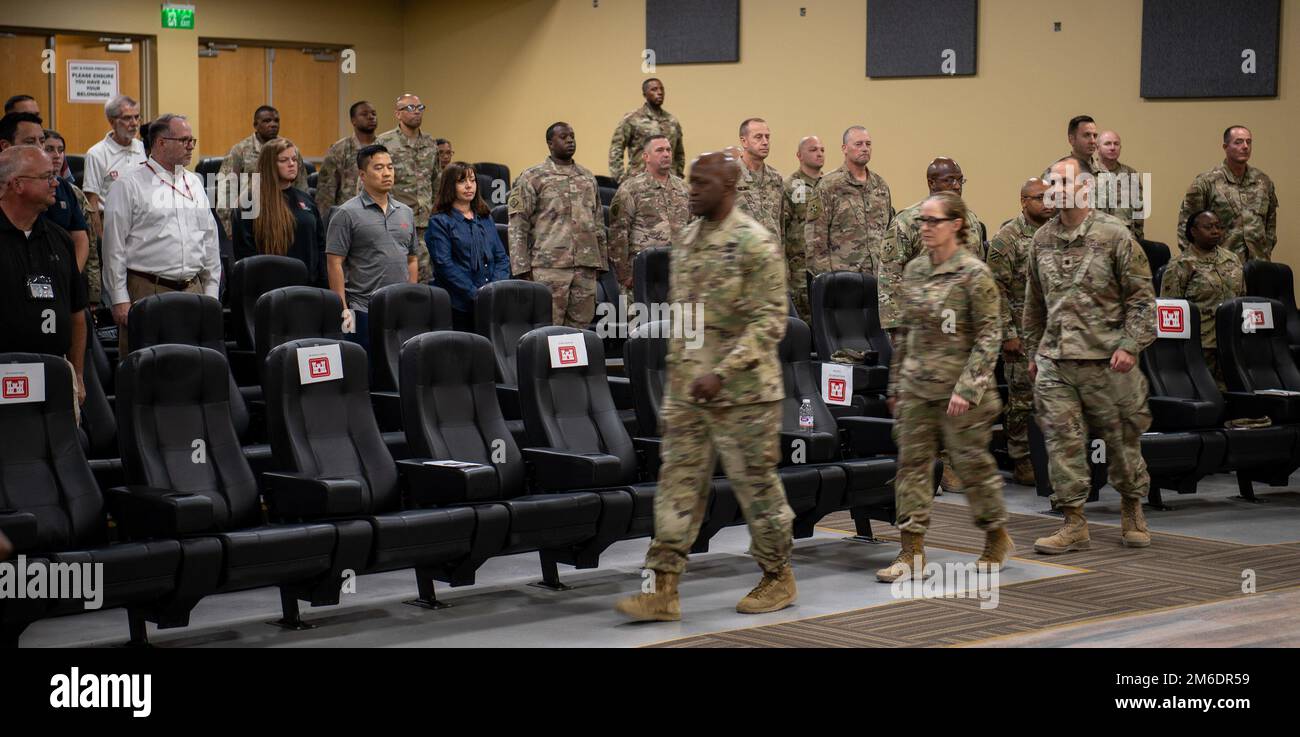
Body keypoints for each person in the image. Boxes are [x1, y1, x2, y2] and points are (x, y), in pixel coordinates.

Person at [614, 151, 796, 621]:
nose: (690, 190)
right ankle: (662, 589)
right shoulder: (688, 237)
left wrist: (724, 371)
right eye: (690, 181)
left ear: (729, 187)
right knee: (677, 487)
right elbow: (685, 320)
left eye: (701, 183)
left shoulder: (755, 243)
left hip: (746, 394)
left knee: (756, 487)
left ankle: (778, 575)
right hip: (691, 393)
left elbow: (770, 322)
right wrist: (679, 380)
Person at [876, 192, 1010, 582]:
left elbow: (990, 334)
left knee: (972, 469)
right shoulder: (916, 270)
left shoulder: (974, 273)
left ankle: (995, 536)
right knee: (911, 469)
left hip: (962, 395)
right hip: (918, 388)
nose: (925, 228)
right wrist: (895, 385)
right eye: (922, 221)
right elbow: (907, 332)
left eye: (934, 221)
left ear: (955, 224)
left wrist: (968, 387)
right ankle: (911, 552)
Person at [1024, 157, 1155, 554]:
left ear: (1084, 188)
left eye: (1061, 181)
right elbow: (1033, 305)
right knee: (1062, 444)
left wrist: (1130, 345)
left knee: (1122, 442)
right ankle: (1073, 522)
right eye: (1050, 182)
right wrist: (1034, 352)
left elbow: (1143, 300)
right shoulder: (1041, 240)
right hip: (1056, 361)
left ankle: (1132, 509)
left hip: (1107, 361)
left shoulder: (1115, 235)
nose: (1053, 188)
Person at [102, 114, 221, 358]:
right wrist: (119, 298)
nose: (190, 147)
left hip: (192, 289)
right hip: (147, 289)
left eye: (192, 141)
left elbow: (209, 240)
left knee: (192, 366)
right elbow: (113, 246)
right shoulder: (129, 183)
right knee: (147, 369)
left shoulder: (195, 182)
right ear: (161, 143)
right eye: (184, 140)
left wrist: (211, 292)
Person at [0, 146, 88, 405]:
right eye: (47, 177)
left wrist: (78, 374)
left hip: (56, 372)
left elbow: (76, 314)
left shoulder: (59, 238)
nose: (55, 183)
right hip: (5, 374)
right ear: (17, 184)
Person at [985, 178, 1056, 486]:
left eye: (1050, 197)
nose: (1048, 203)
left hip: (1053, 331)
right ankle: (1021, 457)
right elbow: (994, 290)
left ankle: (1051, 454)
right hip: (1021, 333)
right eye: (1040, 198)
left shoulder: (1057, 234)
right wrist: (1007, 333)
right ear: (1024, 202)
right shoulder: (1007, 239)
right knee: (1022, 399)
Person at [507, 122, 607, 328]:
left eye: (572, 136)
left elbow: (598, 223)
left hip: (585, 267)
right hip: (548, 267)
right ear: (550, 143)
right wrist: (521, 268)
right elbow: (518, 225)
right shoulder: (532, 177)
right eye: (564, 137)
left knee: (579, 333)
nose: (570, 140)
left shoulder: (587, 177)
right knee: (548, 330)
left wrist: (601, 263)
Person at [325, 144, 419, 352]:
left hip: (399, 308)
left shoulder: (406, 212)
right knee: (367, 373)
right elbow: (334, 263)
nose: (387, 173)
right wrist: (343, 311)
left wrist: (409, 297)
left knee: (399, 370)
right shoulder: (346, 213)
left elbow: (412, 258)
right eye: (378, 168)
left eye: (390, 167)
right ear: (362, 175)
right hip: (362, 309)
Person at [878, 157, 985, 334]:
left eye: (960, 180)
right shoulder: (908, 221)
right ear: (931, 183)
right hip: (922, 320)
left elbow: (978, 267)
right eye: (949, 180)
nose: (957, 186)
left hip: (962, 320)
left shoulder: (970, 221)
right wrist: (895, 327)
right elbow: (890, 276)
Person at [1160, 210, 1244, 390]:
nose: (1215, 231)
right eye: (1208, 227)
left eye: (1218, 227)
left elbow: (1241, 299)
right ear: (1193, 231)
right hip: (1199, 346)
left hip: (1231, 342)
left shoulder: (1233, 260)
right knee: (1206, 395)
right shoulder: (1181, 265)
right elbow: (1170, 311)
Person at [427, 162, 509, 331]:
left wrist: (493, 290)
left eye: (472, 180)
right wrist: (476, 294)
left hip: (491, 302)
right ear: (450, 186)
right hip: (458, 305)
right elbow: (445, 265)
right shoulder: (440, 221)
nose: (469, 185)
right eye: (462, 181)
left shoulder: (486, 217)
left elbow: (501, 257)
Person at [1176, 125, 1277, 263]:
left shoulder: (1263, 182)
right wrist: (1197, 265)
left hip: (1259, 266)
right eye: (1238, 142)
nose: (1245, 146)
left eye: (1249, 141)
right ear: (1225, 147)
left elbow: (1270, 226)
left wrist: (1265, 252)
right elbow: (1186, 227)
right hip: (1218, 268)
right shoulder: (1206, 182)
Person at [235, 138, 326, 287]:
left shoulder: (307, 200)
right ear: (269, 165)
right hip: (268, 290)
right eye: (284, 160)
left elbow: (321, 247)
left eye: (294, 159)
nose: (292, 164)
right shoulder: (249, 202)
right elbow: (246, 256)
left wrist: (324, 287)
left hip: (308, 287)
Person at [804, 126, 892, 278]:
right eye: (858, 144)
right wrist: (826, 281)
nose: (865, 149)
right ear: (844, 148)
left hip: (876, 279)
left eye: (868, 144)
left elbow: (888, 233)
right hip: (842, 279)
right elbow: (815, 240)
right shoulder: (828, 186)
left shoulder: (880, 186)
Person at [607, 135, 689, 290]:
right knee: (643, 315)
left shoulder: (684, 189)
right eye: (659, 150)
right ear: (646, 157)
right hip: (642, 274)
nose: (666, 154)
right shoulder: (630, 189)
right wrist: (624, 275)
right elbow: (618, 234)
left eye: (668, 150)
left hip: (678, 273)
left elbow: (693, 227)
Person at [216, 105, 308, 237]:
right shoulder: (239, 151)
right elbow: (226, 193)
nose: (273, 124)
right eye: (267, 121)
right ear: (255, 124)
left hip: (286, 220)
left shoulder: (290, 151)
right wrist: (234, 233)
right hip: (251, 219)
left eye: (276, 121)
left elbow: (301, 188)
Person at [376, 94, 438, 283]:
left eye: (420, 107)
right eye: (410, 108)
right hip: (395, 221)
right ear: (398, 114)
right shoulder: (384, 142)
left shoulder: (430, 142)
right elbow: (369, 183)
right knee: (397, 278)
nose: (416, 111)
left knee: (425, 279)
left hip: (425, 224)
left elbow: (436, 181)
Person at [44, 130, 100, 303]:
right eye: (49, 149)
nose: (57, 155)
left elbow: (89, 247)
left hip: (70, 275)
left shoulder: (73, 193)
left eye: (61, 150)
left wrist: (92, 295)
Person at [82, 95, 146, 235]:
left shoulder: (143, 149)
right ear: (112, 122)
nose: (134, 123)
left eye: (137, 117)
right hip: (112, 226)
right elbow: (91, 201)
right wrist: (100, 240)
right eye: (128, 118)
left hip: (142, 225)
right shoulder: (97, 153)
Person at [608, 78, 685, 183]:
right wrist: (620, 178)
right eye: (654, 89)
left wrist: (678, 176)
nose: (660, 92)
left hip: (668, 183)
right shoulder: (632, 119)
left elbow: (679, 153)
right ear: (645, 94)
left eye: (662, 89)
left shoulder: (672, 121)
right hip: (640, 181)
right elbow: (616, 149)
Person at [782, 136, 825, 320]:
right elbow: (781, 229)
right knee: (803, 327)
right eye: (813, 149)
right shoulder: (789, 186)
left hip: (826, 268)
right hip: (799, 271)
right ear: (799, 155)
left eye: (822, 149)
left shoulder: (831, 185)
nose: (820, 153)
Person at [316, 100, 378, 213]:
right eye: (364, 114)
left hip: (379, 213)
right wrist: (326, 222)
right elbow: (325, 190)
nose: (371, 117)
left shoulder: (384, 147)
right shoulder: (339, 149)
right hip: (348, 214)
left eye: (373, 114)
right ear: (353, 120)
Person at [734, 118, 784, 243]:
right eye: (758, 137)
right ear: (744, 141)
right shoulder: (729, 176)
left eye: (767, 137)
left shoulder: (776, 178)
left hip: (771, 256)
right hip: (742, 257)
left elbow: (781, 223)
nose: (765, 142)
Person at [1095, 130, 1145, 240]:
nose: (1112, 147)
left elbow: (1139, 212)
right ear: (1097, 147)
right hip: (1095, 241)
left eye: (1116, 144)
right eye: (1107, 143)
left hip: (1125, 238)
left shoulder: (1130, 174)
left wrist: (1138, 240)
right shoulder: (1088, 173)